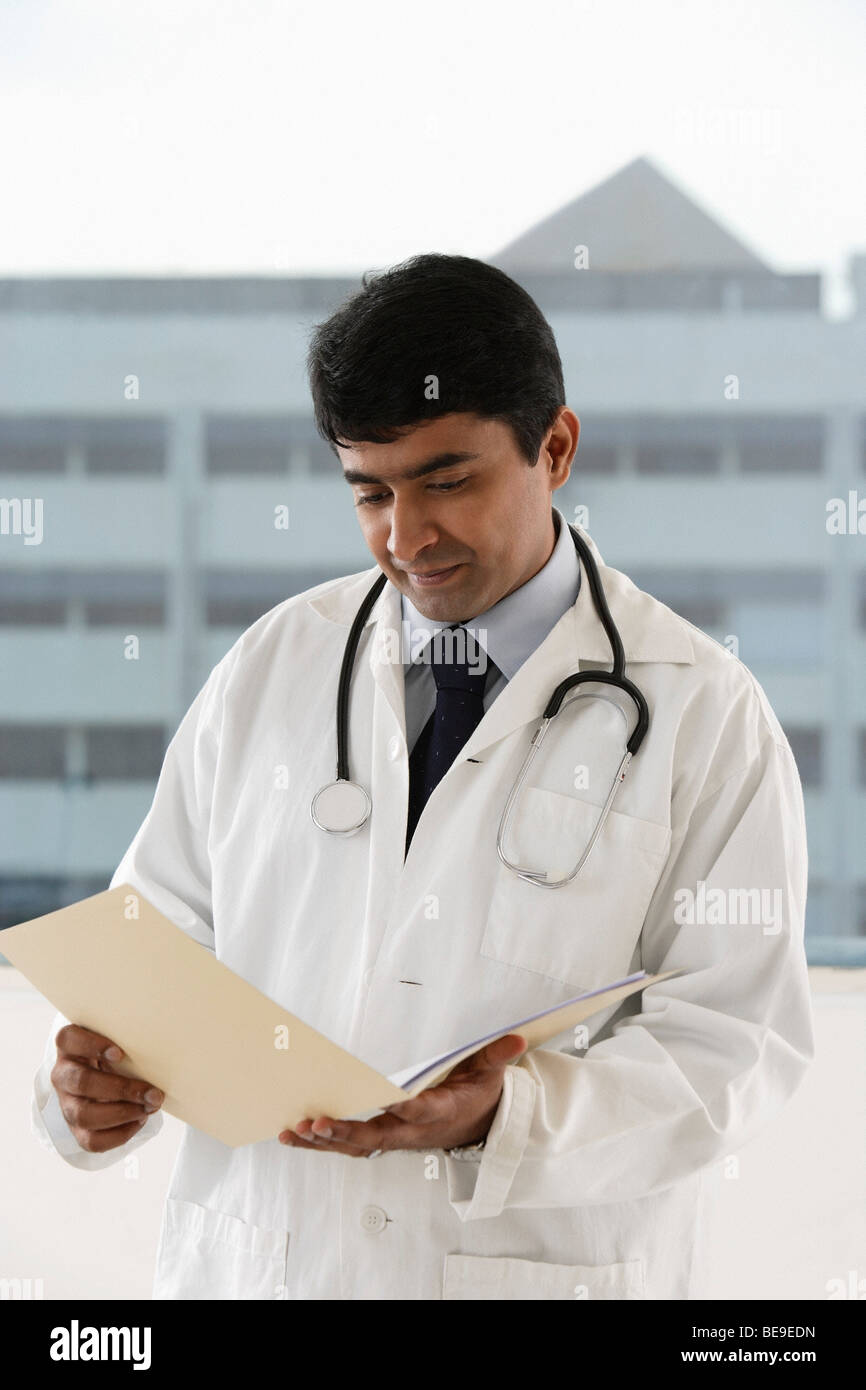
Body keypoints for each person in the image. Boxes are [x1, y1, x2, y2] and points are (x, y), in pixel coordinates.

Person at [32, 253, 813, 1300]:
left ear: (555, 447)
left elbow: (734, 1045)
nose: (406, 539)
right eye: (370, 492)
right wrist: (90, 1085)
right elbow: (151, 949)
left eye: (447, 480)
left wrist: (503, 1118)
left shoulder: (702, 711)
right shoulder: (273, 667)